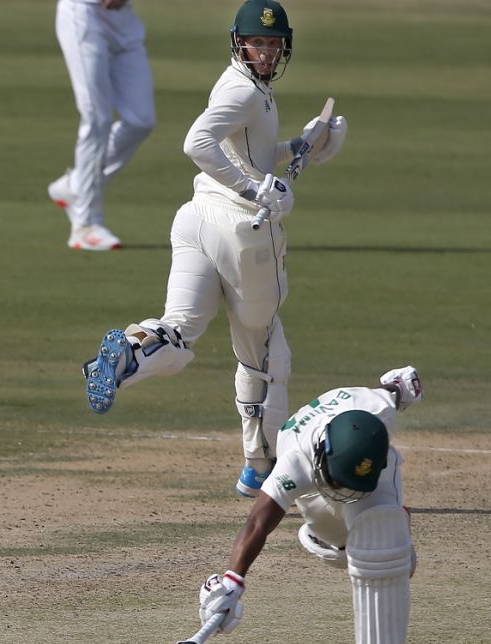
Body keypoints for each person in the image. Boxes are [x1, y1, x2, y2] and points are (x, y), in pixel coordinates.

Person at [81, 0, 349, 495]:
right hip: (242, 233)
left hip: (195, 220)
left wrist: (301, 145)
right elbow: (197, 143)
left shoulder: (248, 89)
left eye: (273, 44)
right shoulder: (245, 92)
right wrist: (255, 191)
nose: (266, 52)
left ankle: (126, 360)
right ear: (238, 42)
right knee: (265, 356)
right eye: (258, 43)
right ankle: (261, 469)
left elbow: (253, 157)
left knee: (179, 328)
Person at [198, 366, 423, 644]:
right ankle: (331, 541)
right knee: (345, 547)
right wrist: (233, 580)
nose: (345, 493)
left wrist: (401, 385)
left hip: (375, 467)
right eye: (341, 485)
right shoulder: (296, 458)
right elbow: (259, 521)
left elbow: (395, 388)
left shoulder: (379, 409)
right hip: (315, 479)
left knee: (385, 552)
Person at [48, 0, 156, 251]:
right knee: (97, 118)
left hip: (123, 17)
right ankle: (85, 226)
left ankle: (75, 186)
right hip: (83, 13)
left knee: (141, 120)